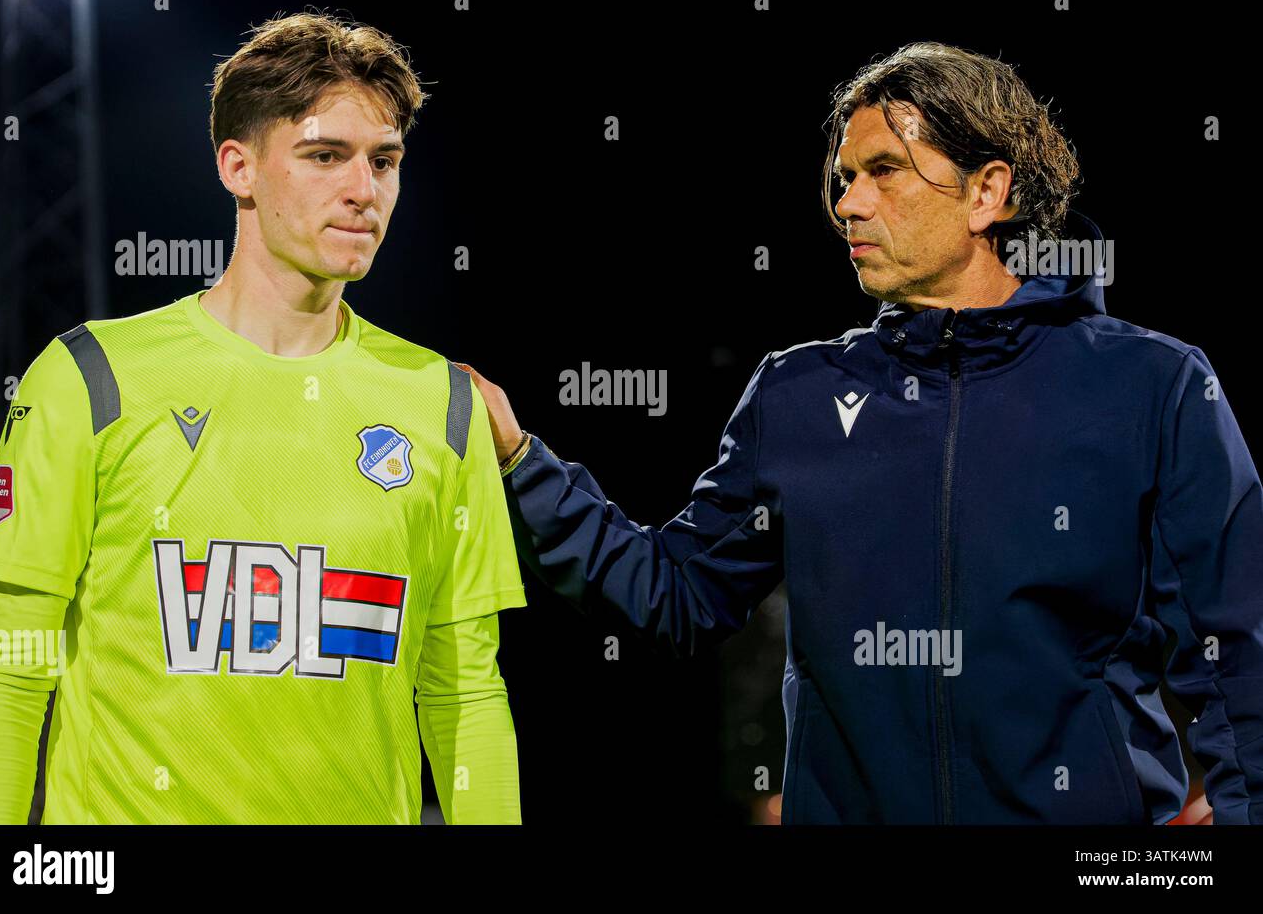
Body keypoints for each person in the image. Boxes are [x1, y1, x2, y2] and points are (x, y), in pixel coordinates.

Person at [462, 42, 1263, 824]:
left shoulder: (1153, 386)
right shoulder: (798, 394)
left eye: (884, 171)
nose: (848, 203)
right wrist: (522, 461)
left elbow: (1234, 660)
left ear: (987, 192)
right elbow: (675, 597)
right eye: (845, 178)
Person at [0, 11, 526, 824]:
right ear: (239, 167)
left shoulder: (442, 403)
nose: (363, 190)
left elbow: (465, 689)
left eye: (385, 161)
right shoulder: (89, 379)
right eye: (325, 156)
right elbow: (8, 664)